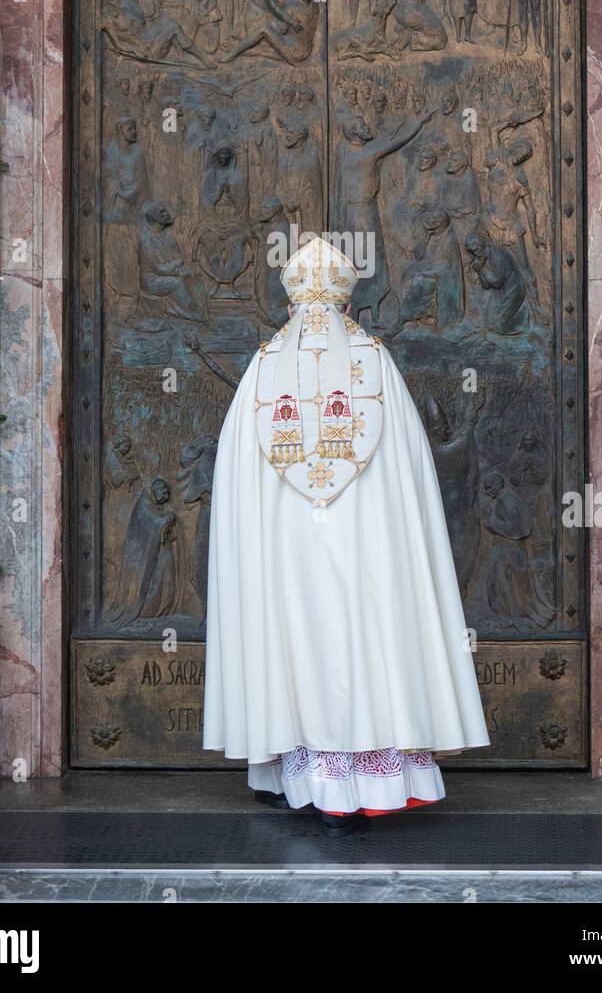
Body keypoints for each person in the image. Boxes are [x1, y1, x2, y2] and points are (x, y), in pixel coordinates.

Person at [202, 236, 490, 832]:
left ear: (289, 304)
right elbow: (410, 482)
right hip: (368, 553)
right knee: (367, 630)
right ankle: (368, 778)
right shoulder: (376, 363)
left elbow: (235, 483)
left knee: (287, 636)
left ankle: (297, 773)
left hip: (283, 556)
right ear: (347, 303)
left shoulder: (261, 368)